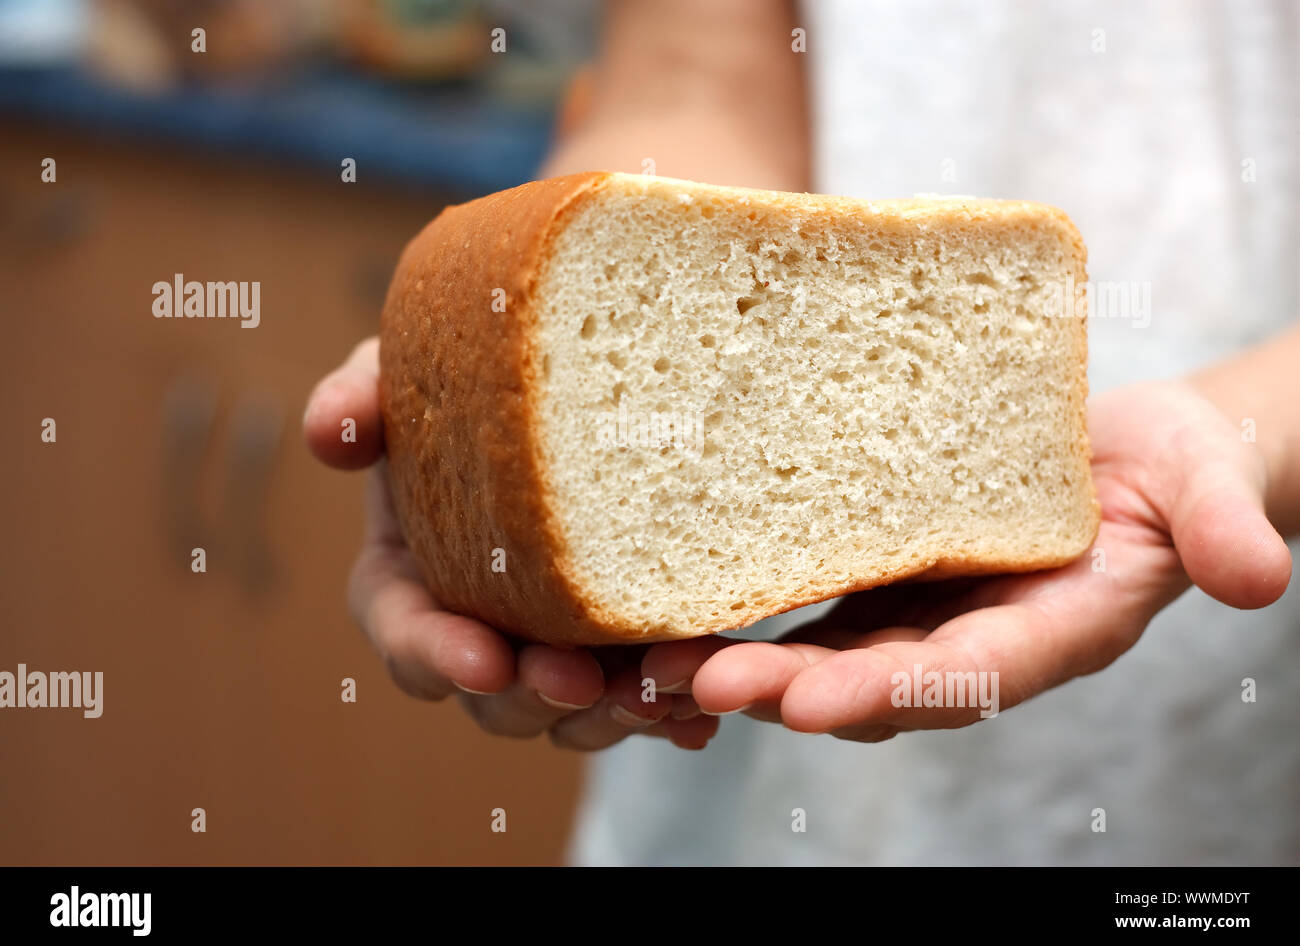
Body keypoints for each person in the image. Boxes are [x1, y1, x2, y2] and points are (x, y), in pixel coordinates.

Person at [304, 0, 1299, 863]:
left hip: (1193, 779)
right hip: (727, 766)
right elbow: (696, 86)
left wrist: (1243, 429)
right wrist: (493, 369)